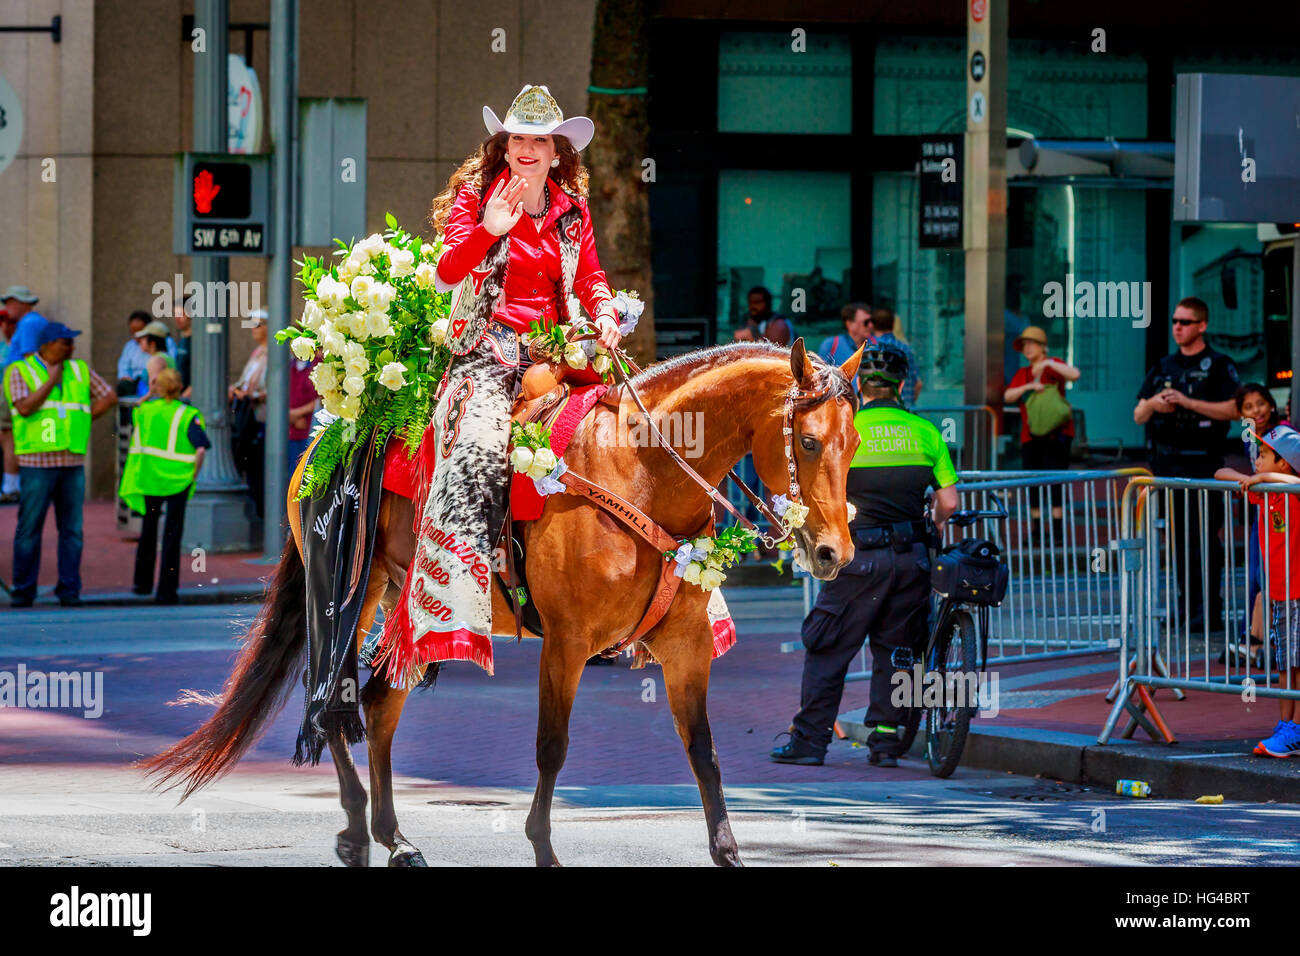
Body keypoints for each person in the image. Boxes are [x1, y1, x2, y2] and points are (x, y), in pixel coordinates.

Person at [415, 83, 620, 656]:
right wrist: (490, 229)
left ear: (558, 151)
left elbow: (590, 279)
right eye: (517, 138)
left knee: (629, 434)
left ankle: (630, 602)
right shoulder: (476, 194)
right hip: (486, 352)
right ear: (503, 146)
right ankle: (451, 608)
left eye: (540, 139)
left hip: (561, 355)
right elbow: (446, 275)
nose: (527, 148)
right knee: (478, 453)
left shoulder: (571, 209)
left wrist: (603, 311)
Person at [771, 342, 958, 768]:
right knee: (898, 651)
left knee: (828, 645)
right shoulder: (926, 433)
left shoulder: (846, 429)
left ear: (860, 384)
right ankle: (887, 744)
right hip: (911, 558)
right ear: (904, 384)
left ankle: (810, 742)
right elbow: (949, 503)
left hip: (857, 558)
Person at [1134, 296, 1240, 629]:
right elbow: (1138, 414)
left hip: (1204, 463)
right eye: (1174, 322)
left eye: (1184, 322)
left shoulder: (1219, 364)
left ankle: (1209, 610)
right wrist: (1155, 403)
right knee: (1179, 540)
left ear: (1202, 325)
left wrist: (1188, 402)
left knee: (1206, 539)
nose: (1177, 328)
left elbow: (1235, 409)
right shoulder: (1164, 366)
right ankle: (1185, 607)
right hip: (1169, 464)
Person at [5, 322, 117, 607]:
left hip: (72, 461)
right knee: (29, 529)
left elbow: (109, 396)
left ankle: (69, 590)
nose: (71, 347)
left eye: (71, 342)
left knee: (72, 531)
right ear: (45, 345)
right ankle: (23, 590)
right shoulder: (19, 370)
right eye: (65, 342)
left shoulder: (78, 369)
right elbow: (24, 407)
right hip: (36, 463)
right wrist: (50, 382)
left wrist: (83, 419)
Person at [1217, 428, 1300, 757]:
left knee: (1297, 662)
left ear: (1284, 463)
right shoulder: (1265, 490)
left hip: (1298, 591)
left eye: (1264, 456)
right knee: (1284, 663)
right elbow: (1220, 473)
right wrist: (1252, 477)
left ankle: (1294, 729)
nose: (1257, 462)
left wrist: (1266, 477)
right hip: (1279, 592)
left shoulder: (1289, 491)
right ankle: (1287, 727)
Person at [119, 367, 209, 604]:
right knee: (172, 535)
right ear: (179, 387)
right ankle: (166, 592)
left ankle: (141, 584)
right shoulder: (188, 414)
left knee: (147, 531)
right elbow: (201, 448)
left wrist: (149, 394)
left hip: (150, 479)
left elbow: (134, 410)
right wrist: (194, 474)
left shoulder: (145, 411)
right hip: (178, 481)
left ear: (157, 387)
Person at [1004, 325, 1081, 520]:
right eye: (1024, 344)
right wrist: (1030, 386)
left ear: (1043, 346)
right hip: (1031, 437)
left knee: (1056, 483)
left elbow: (1074, 374)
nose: (1027, 348)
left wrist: (1048, 364)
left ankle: (1057, 530)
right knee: (1033, 483)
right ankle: (1037, 530)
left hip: (1057, 436)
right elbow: (1008, 396)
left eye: (1032, 343)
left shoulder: (1054, 365)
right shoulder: (1023, 373)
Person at [1, 285, 49, 502]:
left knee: (9, 435)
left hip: (18, 386)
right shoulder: (31, 323)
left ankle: (11, 487)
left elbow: (31, 357)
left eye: (12, 302)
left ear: (24, 303)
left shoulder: (29, 323)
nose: (8, 307)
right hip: (19, 385)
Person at [230, 309, 269, 516]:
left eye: (258, 324)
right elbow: (244, 380)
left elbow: (277, 387)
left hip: (262, 417)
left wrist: (254, 395)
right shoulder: (257, 352)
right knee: (249, 464)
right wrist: (234, 389)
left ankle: (261, 511)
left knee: (259, 466)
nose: (253, 328)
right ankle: (255, 508)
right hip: (248, 417)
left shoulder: (276, 352)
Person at [868, 308, 922, 408]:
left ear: (872, 325)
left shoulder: (868, 350)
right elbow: (918, 384)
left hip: (875, 411)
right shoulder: (906, 349)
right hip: (905, 409)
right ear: (893, 324)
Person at [288, 348, 319, 466]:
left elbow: (320, 398)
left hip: (308, 425)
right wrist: (292, 417)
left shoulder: (317, 364)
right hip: (291, 426)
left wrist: (295, 414)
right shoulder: (289, 366)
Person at [173, 303, 194, 395]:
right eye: (175, 314)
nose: (177, 318)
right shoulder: (182, 341)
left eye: (181, 314)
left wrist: (184, 397)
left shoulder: (198, 343)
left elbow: (201, 376)